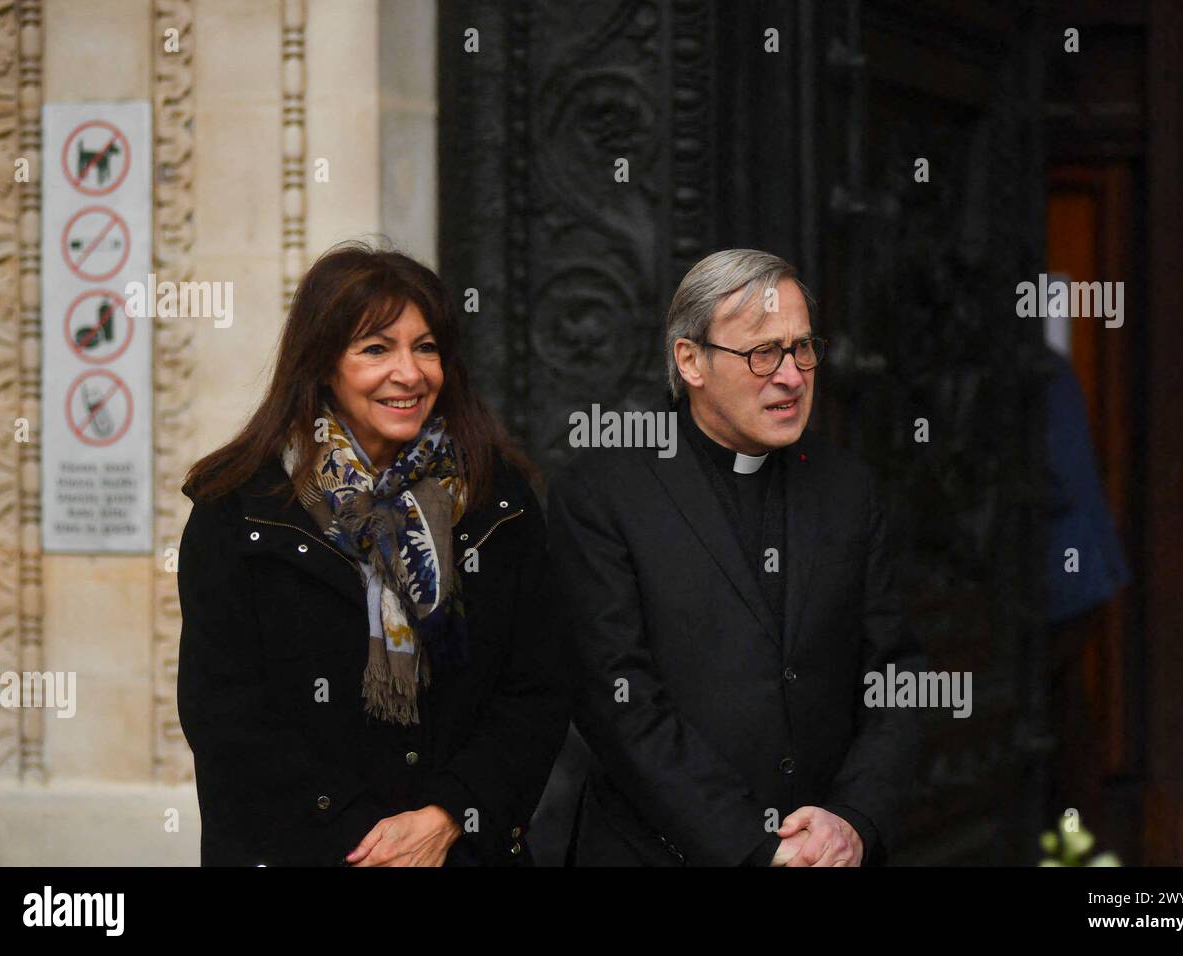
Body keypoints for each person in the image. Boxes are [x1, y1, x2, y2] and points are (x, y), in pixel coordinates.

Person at [177, 241, 567, 866]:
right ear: (323, 363)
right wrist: (364, 840)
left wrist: (446, 817)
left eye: (427, 347)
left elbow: (537, 689)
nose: (409, 374)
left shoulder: (499, 499)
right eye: (377, 349)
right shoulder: (238, 507)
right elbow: (224, 713)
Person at [548, 249, 925, 866]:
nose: (792, 375)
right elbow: (621, 704)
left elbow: (896, 677)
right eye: (762, 353)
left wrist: (852, 822)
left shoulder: (847, 487)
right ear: (690, 360)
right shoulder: (602, 494)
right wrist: (757, 848)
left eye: (803, 348)